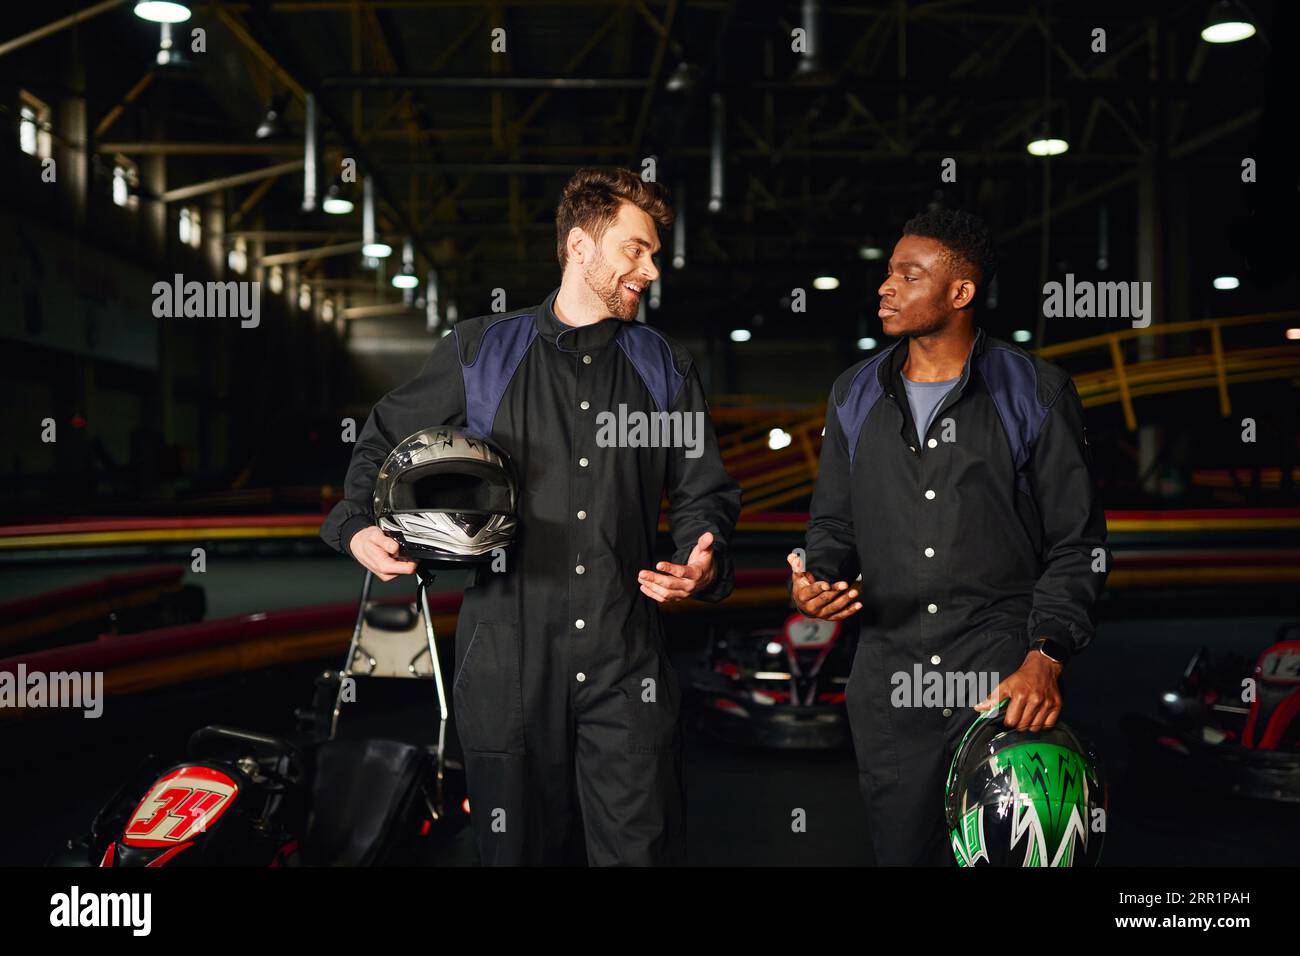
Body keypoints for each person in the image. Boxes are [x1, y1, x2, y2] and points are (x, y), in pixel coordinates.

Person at [321, 167, 741, 865]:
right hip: (506, 660)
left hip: (625, 655)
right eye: (636, 249)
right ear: (581, 246)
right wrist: (357, 525)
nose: (651, 268)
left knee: (643, 849)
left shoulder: (665, 367)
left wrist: (704, 554)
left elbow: (704, 492)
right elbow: (382, 437)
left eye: (655, 252)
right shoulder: (481, 350)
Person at [787, 208, 1110, 866]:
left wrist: (1045, 657)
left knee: (1013, 855)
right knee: (902, 854)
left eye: (909, 275)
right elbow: (833, 524)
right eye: (887, 274)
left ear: (960, 292)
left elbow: (1078, 545)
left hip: (1002, 678)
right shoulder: (853, 392)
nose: (886, 287)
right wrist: (814, 580)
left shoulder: (1037, 393)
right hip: (888, 684)